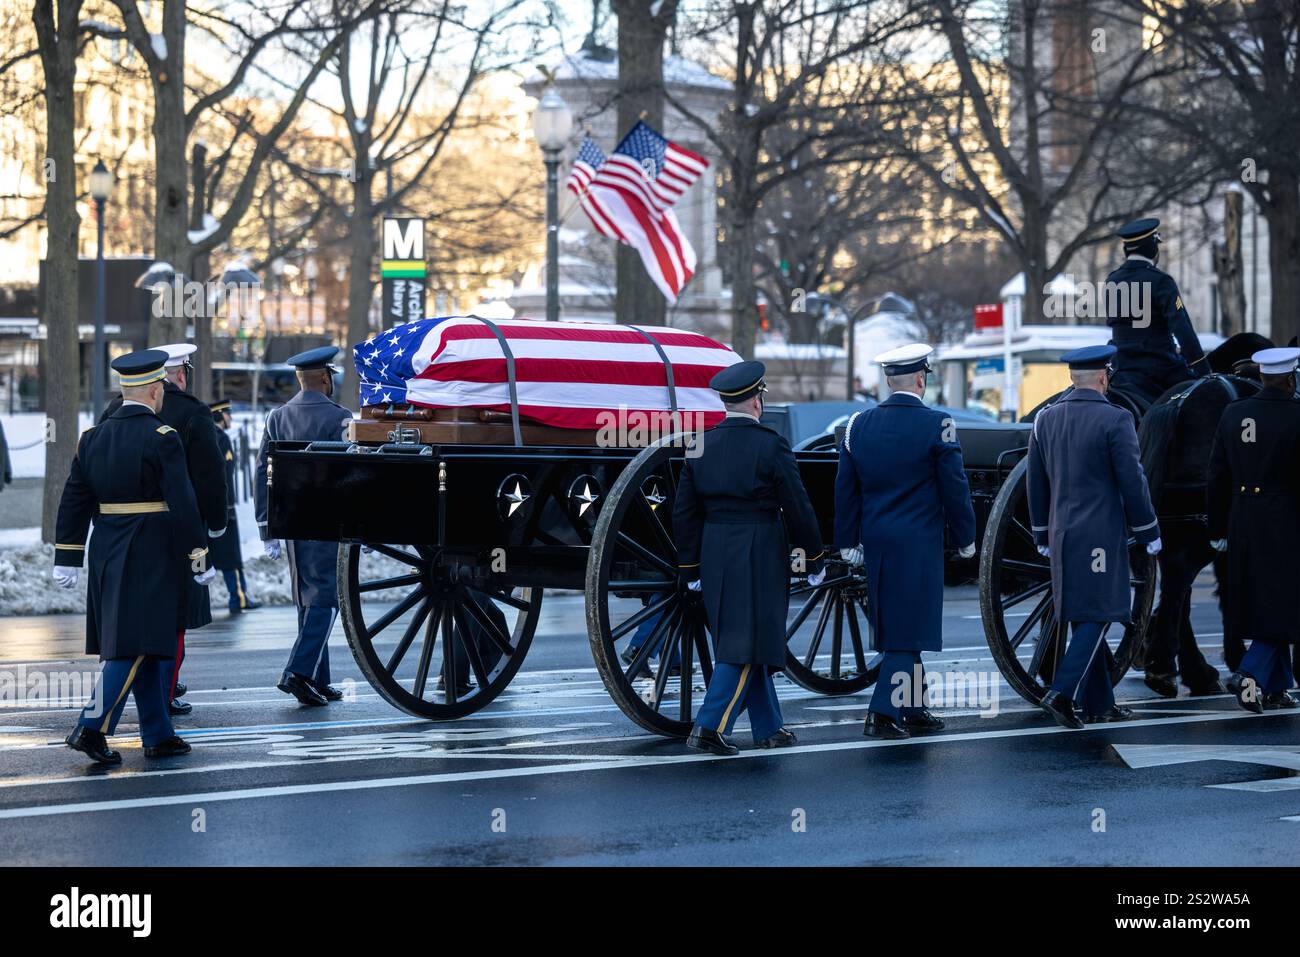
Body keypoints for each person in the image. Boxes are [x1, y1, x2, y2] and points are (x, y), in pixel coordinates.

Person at [56, 350, 214, 764]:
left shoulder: (91, 437)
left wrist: (67, 554)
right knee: (134, 646)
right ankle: (89, 727)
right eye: (160, 388)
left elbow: (74, 499)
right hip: (151, 549)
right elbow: (182, 501)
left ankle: (158, 733)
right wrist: (198, 554)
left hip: (108, 546)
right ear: (154, 390)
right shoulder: (162, 437)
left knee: (150, 643)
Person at [675, 360, 825, 756]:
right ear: (756, 400)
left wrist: (690, 567)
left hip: (713, 548)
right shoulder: (770, 444)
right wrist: (813, 555)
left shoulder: (699, 443)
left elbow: (685, 512)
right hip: (757, 548)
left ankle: (769, 725)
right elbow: (797, 505)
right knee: (744, 641)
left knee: (743, 633)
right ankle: (708, 726)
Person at [834, 344, 976, 739]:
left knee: (900, 624)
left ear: (887, 379)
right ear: (920, 378)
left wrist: (846, 540)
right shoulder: (939, 424)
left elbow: (846, 490)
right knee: (906, 631)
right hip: (918, 541)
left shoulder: (857, 424)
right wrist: (966, 537)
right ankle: (882, 712)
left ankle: (913, 708)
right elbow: (955, 488)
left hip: (877, 541)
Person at [1028, 345, 1162, 729]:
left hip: (1060, 533)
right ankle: (1062, 693)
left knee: (1081, 612)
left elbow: (1037, 483)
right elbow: (1132, 482)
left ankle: (1100, 702)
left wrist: (1041, 532)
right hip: (1100, 535)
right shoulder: (1116, 419)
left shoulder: (1045, 419)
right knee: (1101, 612)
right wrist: (1148, 529)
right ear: (1104, 376)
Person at [102, 342, 228, 714]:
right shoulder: (192, 412)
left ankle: (143, 702)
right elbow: (209, 478)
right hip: (178, 533)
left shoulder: (113, 410)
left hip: (121, 532)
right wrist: (216, 526)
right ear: (179, 373)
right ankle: (162, 696)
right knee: (174, 622)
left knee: (131, 622)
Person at [256, 346, 353, 706]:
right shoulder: (341, 417)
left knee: (307, 598)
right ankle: (297, 672)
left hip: (292, 520)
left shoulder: (278, 416)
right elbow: (350, 474)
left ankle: (317, 677)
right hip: (327, 520)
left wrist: (266, 522)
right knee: (326, 599)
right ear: (326, 378)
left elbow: (261, 472)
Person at [1207, 347, 1300, 712]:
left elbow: (1216, 475)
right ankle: (1248, 673)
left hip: (1242, 516)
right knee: (1287, 603)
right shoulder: (1297, 415)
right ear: (1290, 377)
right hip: (1286, 517)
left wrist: (1217, 527)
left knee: (1265, 599)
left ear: (1261, 376)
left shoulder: (1234, 412)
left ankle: (1276, 687)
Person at [1104, 218, 1210, 407]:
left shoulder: (1112, 280)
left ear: (1126, 249)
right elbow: (1182, 328)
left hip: (1121, 367)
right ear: (1152, 247)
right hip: (1159, 368)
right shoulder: (1161, 281)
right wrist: (1203, 369)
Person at [209, 399, 261, 614]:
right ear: (220, 415)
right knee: (231, 557)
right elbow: (223, 477)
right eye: (228, 414)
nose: (230, 418)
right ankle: (238, 597)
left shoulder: (210, 437)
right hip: (223, 508)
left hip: (212, 507)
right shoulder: (219, 438)